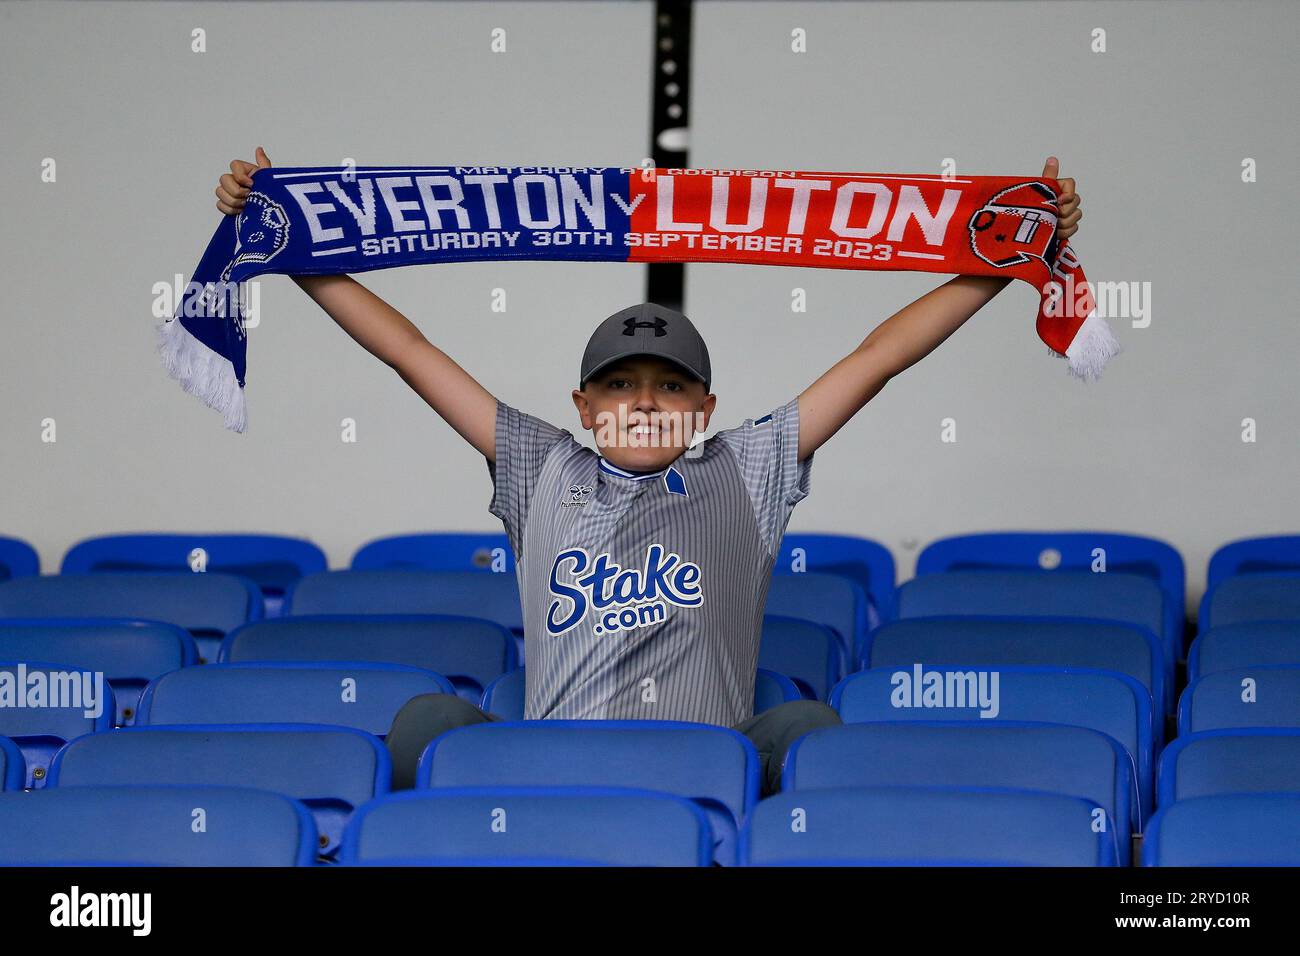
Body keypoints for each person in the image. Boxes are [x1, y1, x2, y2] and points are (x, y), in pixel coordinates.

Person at [214, 148, 1082, 794]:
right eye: (619, 386)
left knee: (812, 730)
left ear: (705, 408)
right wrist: (289, 247)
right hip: (551, 775)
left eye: (671, 386)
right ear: (584, 407)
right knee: (427, 724)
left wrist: (1009, 256)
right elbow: (408, 351)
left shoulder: (747, 468)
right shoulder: (540, 466)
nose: (643, 402)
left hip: (703, 767)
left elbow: (879, 356)